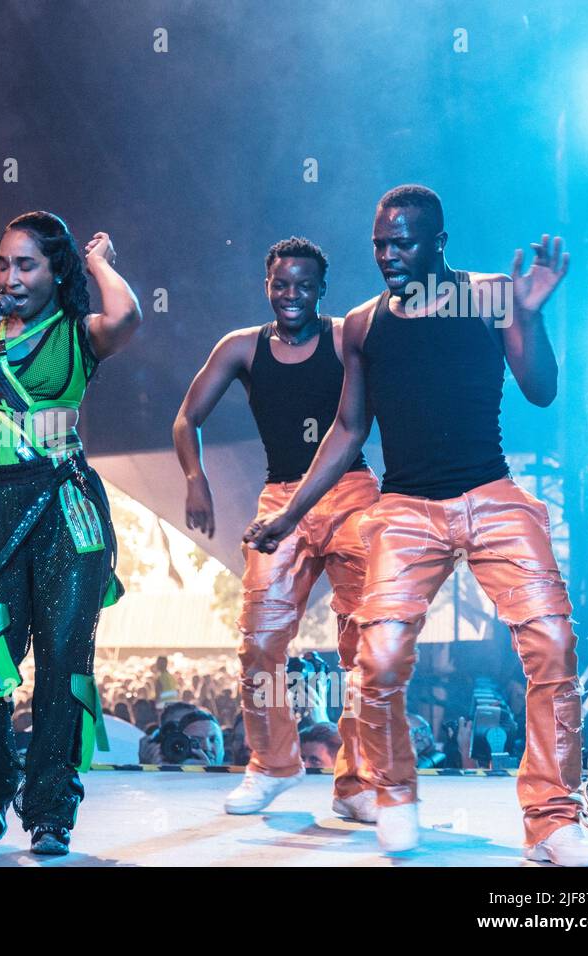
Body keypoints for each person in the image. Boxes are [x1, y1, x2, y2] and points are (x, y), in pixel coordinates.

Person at [245, 185, 588, 865]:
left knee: (554, 642)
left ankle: (552, 821)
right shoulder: (361, 324)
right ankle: (395, 793)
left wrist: (528, 315)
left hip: (490, 494)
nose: (388, 255)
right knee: (376, 661)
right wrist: (290, 514)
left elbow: (541, 388)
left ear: (439, 242)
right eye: (380, 244)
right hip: (405, 509)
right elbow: (348, 430)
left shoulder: (489, 294)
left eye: (402, 242)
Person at [0, 210, 141, 855]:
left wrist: (97, 262)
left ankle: (50, 815)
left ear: (55, 270)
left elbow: (127, 318)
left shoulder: (77, 332)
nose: (10, 277)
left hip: (66, 510)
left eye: (26, 264)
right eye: (3, 264)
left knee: (64, 665)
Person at [174, 236, 380, 823]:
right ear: (267, 285)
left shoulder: (346, 337)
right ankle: (271, 765)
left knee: (367, 646)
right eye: (281, 284)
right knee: (259, 640)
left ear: (322, 289)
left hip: (351, 491)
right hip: (281, 496)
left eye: (305, 285)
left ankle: (358, 783)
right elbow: (187, 417)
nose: (292, 294)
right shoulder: (241, 347)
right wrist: (196, 478)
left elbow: (365, 422)